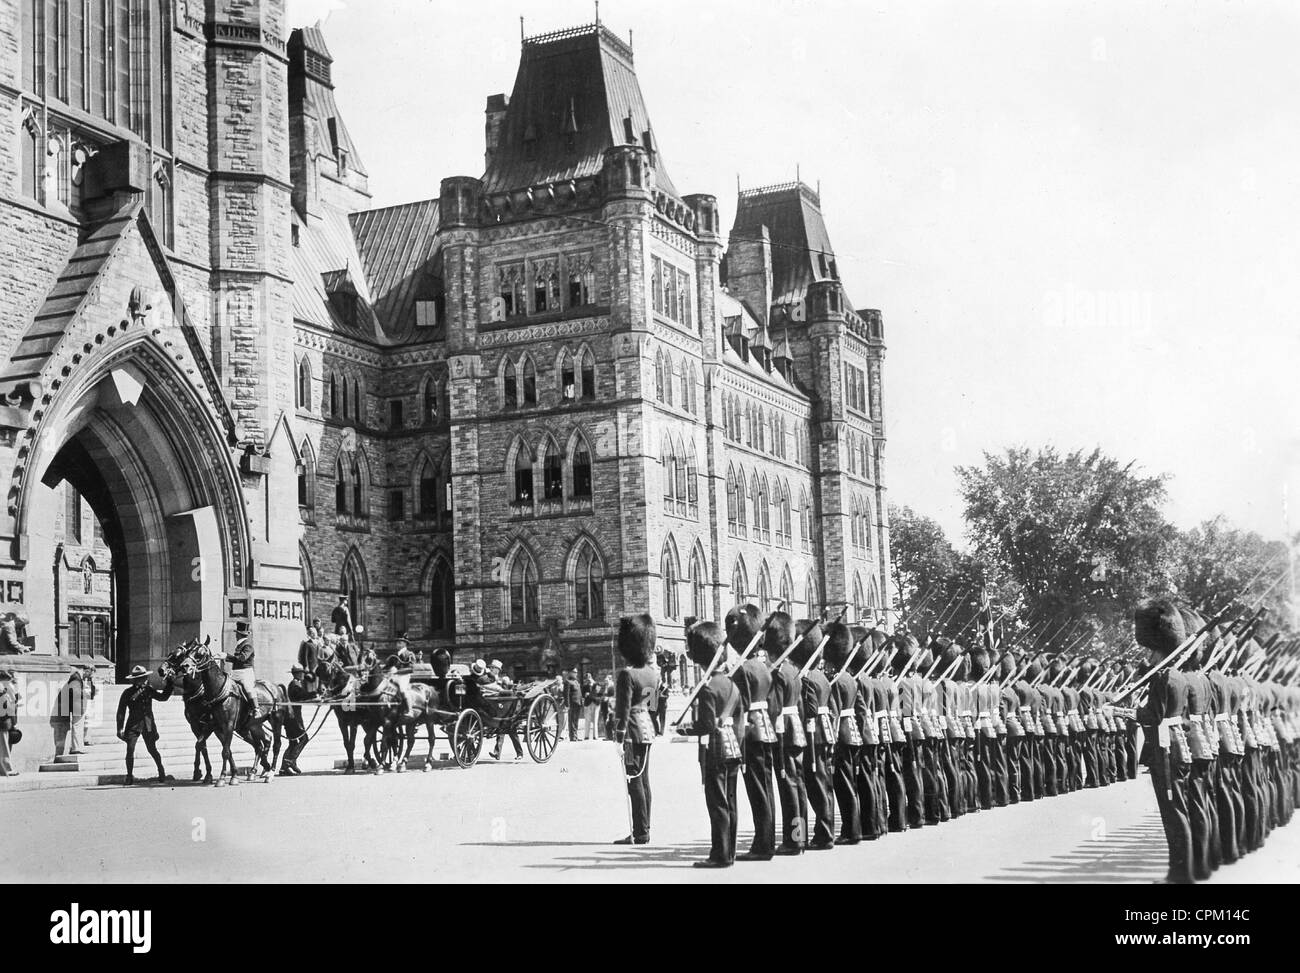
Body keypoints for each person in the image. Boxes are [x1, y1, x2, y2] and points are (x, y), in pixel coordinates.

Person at [1134, 598, 1195, 884]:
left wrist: (1126, 712)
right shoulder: (1176, 675)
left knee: (1173, 813)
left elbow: (1151, 716)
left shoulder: (1162, 677)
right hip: (1173, 745)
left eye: (1151, 651)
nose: (1149, 657)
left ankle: (1180, 874)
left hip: (1166, 749)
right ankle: (1180, 870)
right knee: (1176, 811)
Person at [676, 621, 742, 868]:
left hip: (715, 748)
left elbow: (705, 725)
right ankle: (730, 851)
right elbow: (739, 721)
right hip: (734, 746)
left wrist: (683, 728)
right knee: (731, 802)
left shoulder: (707, 688)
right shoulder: (732, 684)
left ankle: (720, 854)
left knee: (717, 803)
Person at [727, 604, 777, 860]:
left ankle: (763, 844)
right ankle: (767, 840)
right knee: (766, 788)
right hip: (765, 728)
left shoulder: (742, 670)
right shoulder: (763, 666)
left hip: (750, 732)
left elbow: (738, 708)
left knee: (757, 790)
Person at [612, 614, 659, 845]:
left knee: (634, 781)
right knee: (644, 780)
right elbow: (652, 707)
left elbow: (622, 710)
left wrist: (618, 739)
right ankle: (644, 828)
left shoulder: (627, 675)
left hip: (630, 733)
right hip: (647, 730)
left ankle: (640, 832)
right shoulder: (652, 674)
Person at [766, 611, 808, 855]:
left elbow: (774, 708)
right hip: (797, 730)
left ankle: (794, 841)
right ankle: (799, 837)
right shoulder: (792, 669)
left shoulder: (779, 672)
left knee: (789, 786)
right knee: (797, 785)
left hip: (784, 732)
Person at [825, 622, 863, 845]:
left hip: (842, 735)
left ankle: (851, 831)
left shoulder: (836, 681)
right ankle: (853, 828)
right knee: (851, 783)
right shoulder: (849, 678)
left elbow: (834, 713)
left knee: (844, 785)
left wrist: (831, 742)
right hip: (853, 733)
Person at [116, 665, 171, 785]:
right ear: (136, 680)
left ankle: (161, 771)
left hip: (148, 724)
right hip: (133, 725)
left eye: (145, 677)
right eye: (142, 678)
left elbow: (163, 697)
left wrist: (170, 683)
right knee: (130, 750)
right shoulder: (127, 693)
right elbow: (121, 711)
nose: (145, 680)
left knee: (152, 749)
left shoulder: (149, 690)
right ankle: (129, 776)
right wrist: (119, 728)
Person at [224, 620, 262, 721]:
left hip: (245, 672)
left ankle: (256, 709)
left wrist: (227, 656)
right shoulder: (240, 645)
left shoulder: (248, 645)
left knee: (248, 687)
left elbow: (242, 658)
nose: (236, 636)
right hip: (236, 672)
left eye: (237, 633)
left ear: (239, 634)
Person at [50, 664, 90, 758]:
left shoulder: (76, 678)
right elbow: (75, 692)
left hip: (76, 706)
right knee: (77, 727)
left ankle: (77, 747)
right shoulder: (76, 678)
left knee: (78, 727)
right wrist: (84, 692)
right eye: (88, 674)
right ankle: (76, 748)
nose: (87, 677)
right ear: (86, 670)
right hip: (77, 707)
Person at [280, 664, 312, 775]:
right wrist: (315, 694)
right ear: (297, 674)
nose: (303, 674)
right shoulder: (295, 685)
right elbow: (302, 695)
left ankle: (283, 768)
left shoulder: (295, 684)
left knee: (293, 743)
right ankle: (291, 761)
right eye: (301, 673)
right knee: (304, 738)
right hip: (294, 718)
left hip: (291, 717)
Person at [0, 669, 20, 775]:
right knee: (5, 746)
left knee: (4, 745)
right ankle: (7, 769)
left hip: (5, 720)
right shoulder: (6, 687)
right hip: (4, 721)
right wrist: (13, 722)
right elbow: (10, 705)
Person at [564, 668, 583, 742]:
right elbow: (566, 694)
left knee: (576, 721)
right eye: (574, 672)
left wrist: (581, 701)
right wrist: (567, 705)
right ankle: (572, 737)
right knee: (572, 721)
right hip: (572, 704)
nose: (576, 674)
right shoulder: (568, 682)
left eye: (576, 672)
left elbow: (580, 693)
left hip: (578, 703)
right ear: (570, 673)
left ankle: (576, 736)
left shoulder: (576, 682)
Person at [582, 670, 600, 740]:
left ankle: (595, 736)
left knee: (595, 720)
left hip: (596, 703)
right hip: (587, 703)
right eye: (587, 679)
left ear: (592, 678)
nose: (588, 680)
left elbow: (599, 693)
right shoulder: (584, 686)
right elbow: (582, 695)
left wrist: (590, 694)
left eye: (589, 678)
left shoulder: (597, 684)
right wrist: (585, 695)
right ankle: (586, 736)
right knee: (587, 720)